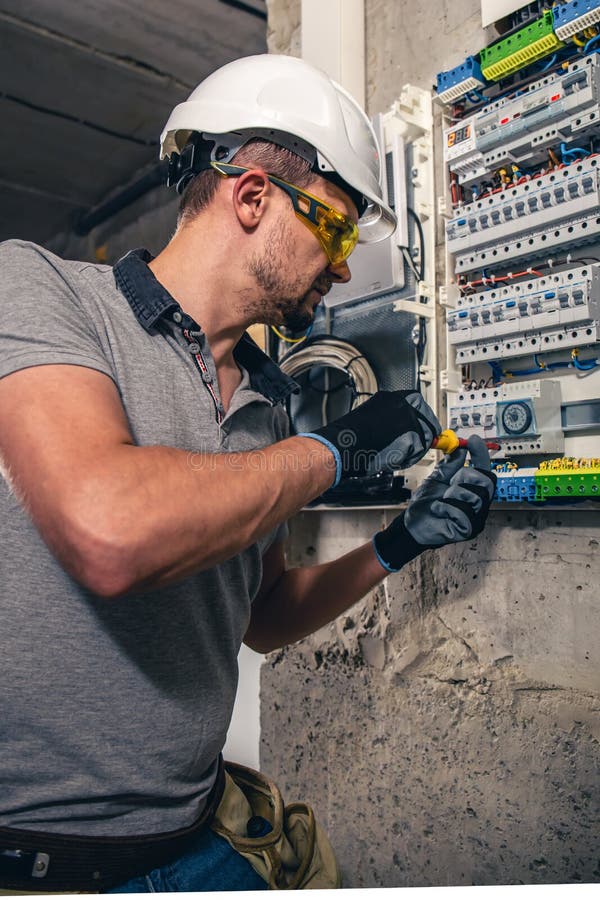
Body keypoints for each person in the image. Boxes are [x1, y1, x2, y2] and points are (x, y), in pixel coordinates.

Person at [0, 54, 496, 893]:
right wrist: (331, 454)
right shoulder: (45, 292)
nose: (343, 268)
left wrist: (403, 540)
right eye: (337, 230)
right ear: (254, 196)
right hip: (41, 861)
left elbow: (258, 619)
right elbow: (108, 531)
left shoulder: (269, 406)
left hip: (197, 841)